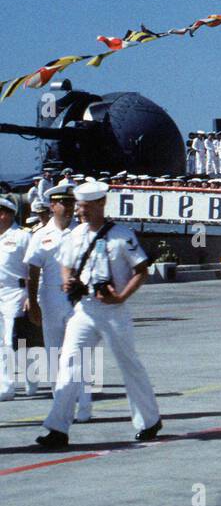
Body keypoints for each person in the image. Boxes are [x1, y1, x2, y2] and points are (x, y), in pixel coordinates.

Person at [36, 180, 162, 448]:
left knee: (129, 365)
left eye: (86, 207)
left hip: (114, 310)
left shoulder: (122, 236)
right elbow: (66, 265)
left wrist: (121, 297)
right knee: (69, 364)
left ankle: (148, 420)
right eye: (79, 206)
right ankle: (58, 428)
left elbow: (141, 271)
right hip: (84, 309)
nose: (81, 212)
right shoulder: (76, 236)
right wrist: (68, 281)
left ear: (101, 204)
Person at [24, 183, 91, 416]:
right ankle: (60, 405)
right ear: (53, 205)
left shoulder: (82, 231)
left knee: (80, 351)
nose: (70, 208)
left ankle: (84, 405)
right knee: (53, 353)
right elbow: (32, 272)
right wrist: (32, 303)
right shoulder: (40, 236)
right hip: (50, 297)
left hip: (77, 298)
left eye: (72, 203)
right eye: (64, 203)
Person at [0, 197, 35, 399]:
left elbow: (33, 268)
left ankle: (29, 378)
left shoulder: (23, 237)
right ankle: (6, 385)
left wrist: (32, 296)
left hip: (16, 292)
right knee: (3, 341)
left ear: (6, 214)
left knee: (14, 339)